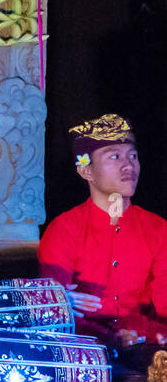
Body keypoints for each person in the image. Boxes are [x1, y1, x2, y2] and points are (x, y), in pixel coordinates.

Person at [39, 114, 167, 361]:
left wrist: (153, 334)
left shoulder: (158, 229)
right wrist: (106, 337)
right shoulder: (64, 229)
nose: (128, 165)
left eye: (133, 155)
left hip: (145, 348)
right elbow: (54, 308)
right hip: (81, 352)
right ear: (86, 170)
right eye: (114, 156)